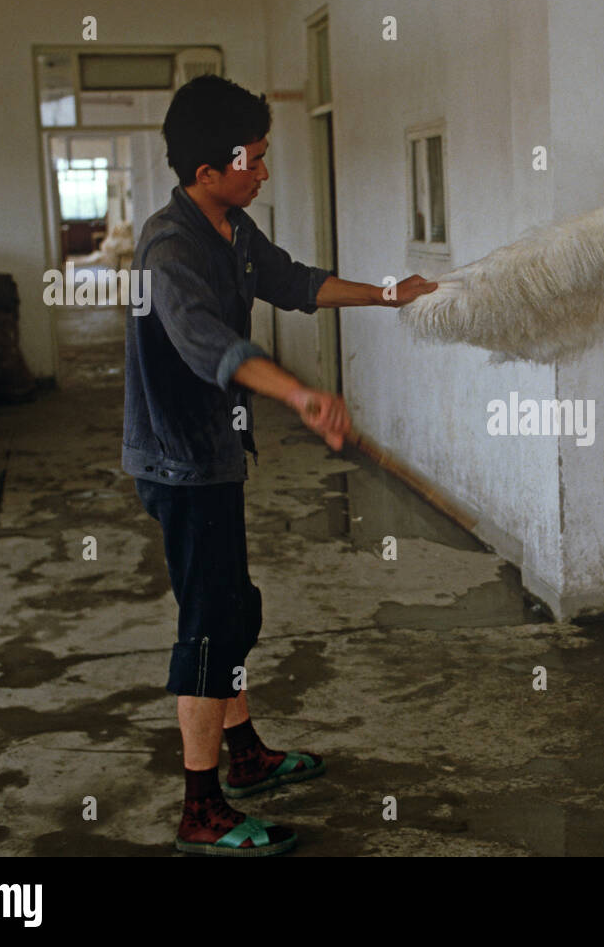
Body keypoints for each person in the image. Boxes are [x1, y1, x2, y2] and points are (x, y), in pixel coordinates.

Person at [122, 74, 436, 856]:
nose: (263, 173)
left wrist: (386, 295)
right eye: (253, 161)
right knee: (208, 627)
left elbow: (293, 282)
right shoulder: (171, 248)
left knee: (235, 607)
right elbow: (206, 344)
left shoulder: (231, 228)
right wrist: (298, 393)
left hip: (217, 454)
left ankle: (247, 752)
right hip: (180, 463)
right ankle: (202, 806)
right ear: (207, 172)